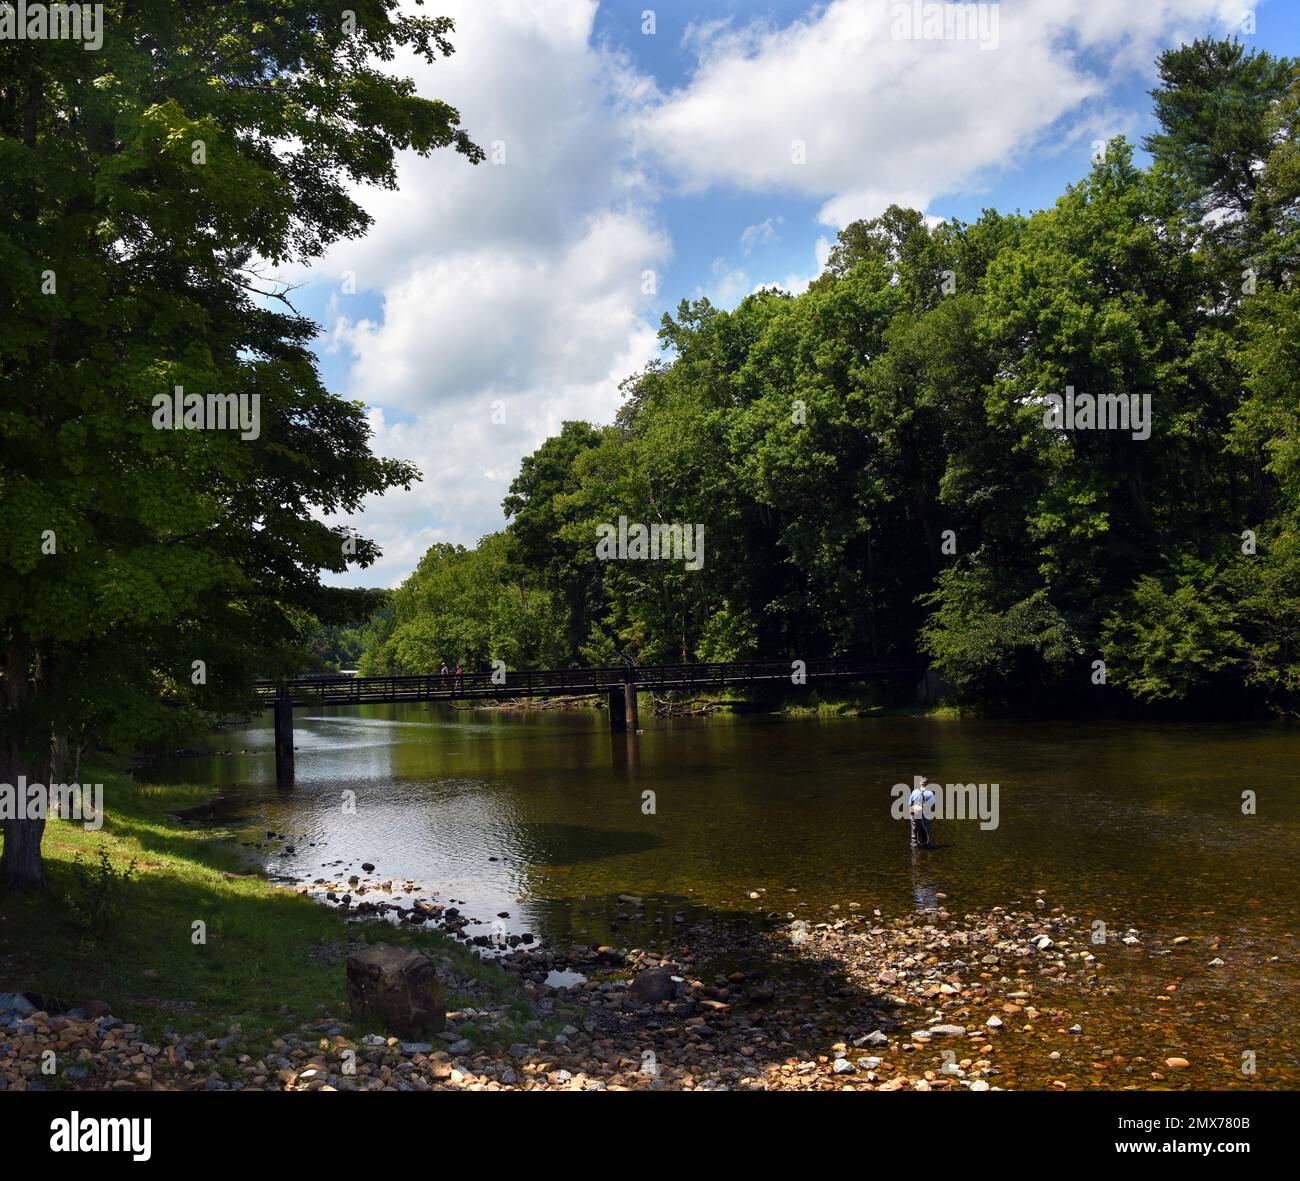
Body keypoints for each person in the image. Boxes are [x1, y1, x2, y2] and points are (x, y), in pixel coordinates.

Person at [908, 775, 936, 849]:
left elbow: (910, 803)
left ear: (920, 783)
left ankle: (914, 845)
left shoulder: (914, 792)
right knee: (927, 829)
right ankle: (927, 844)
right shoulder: (930, 793)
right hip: (925, 814)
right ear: (927, 784)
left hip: (915, 813)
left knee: (915, 829)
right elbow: (932, 805)